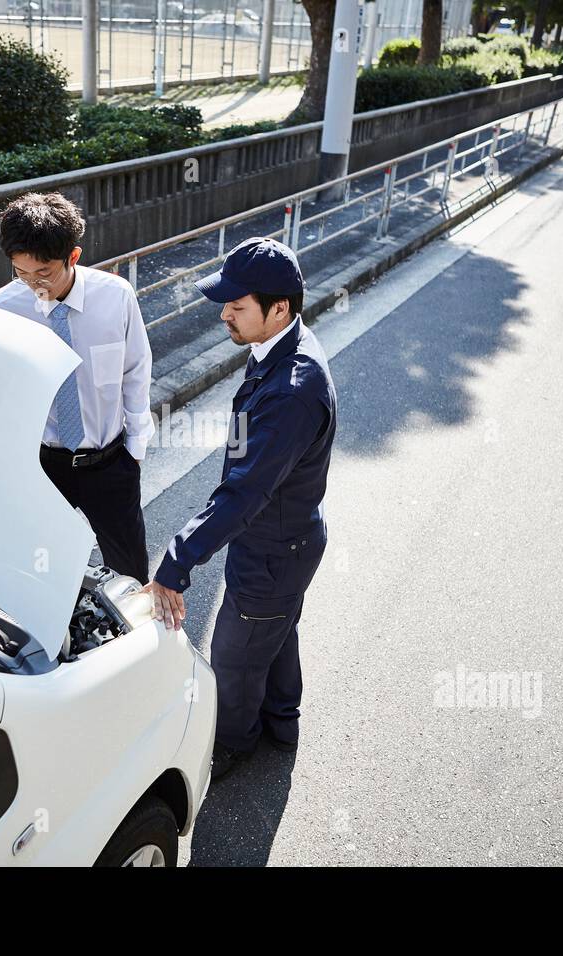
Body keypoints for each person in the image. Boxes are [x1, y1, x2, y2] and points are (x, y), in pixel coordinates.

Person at [143, 237, 337, 781]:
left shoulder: (291, 389)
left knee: (234, 654)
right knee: (276, 631)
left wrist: (176, 561)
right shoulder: (283, 347)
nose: (223, 314)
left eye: (237, 305)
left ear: (279, 308)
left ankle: (233, 742)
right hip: (289, 538)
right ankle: (282, 722)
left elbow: (245, 494)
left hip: (271, 546)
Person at [0, 192, 155, 582]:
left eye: (43, 272)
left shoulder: (116, 298)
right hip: (44, 467)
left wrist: (135, 450)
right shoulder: (1, 310)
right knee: (36, 570)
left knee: (130, 573)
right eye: (21, 272)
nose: (33, 284)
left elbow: (135, 371)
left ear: (73, 257)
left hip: (110, 462)